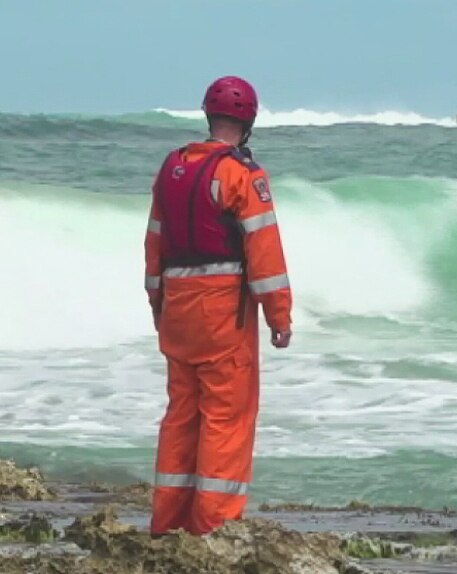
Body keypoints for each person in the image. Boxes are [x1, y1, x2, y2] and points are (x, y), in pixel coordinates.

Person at [143, 76, 292, 535]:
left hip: (177, 315)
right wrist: (279, 316)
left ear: (209, 116)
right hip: (223, 317)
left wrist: (157, 304)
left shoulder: (172, 169)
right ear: (247, 122)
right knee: (226, 419)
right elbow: (265, 256)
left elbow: (154, 246)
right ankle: (214, 528)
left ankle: (167, 524)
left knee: (181, 417)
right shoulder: (242, 175)